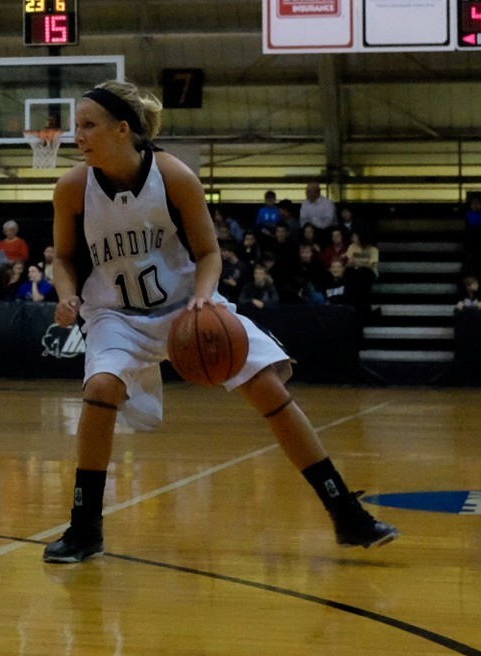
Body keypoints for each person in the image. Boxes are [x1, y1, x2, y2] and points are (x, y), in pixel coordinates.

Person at [42, 80, 397, 563]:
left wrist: (204, 300)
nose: (76, 136)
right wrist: (65, 296)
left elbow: (209, 253)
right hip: (115, 315)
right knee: (101, 388)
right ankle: (85, 528)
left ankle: (346, 514)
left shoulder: (173, 175)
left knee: (269, 387)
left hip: (189, 307)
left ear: (123, 129)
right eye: (75, 126)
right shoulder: (72, 188)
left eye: (87, 125)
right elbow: (63, 257)